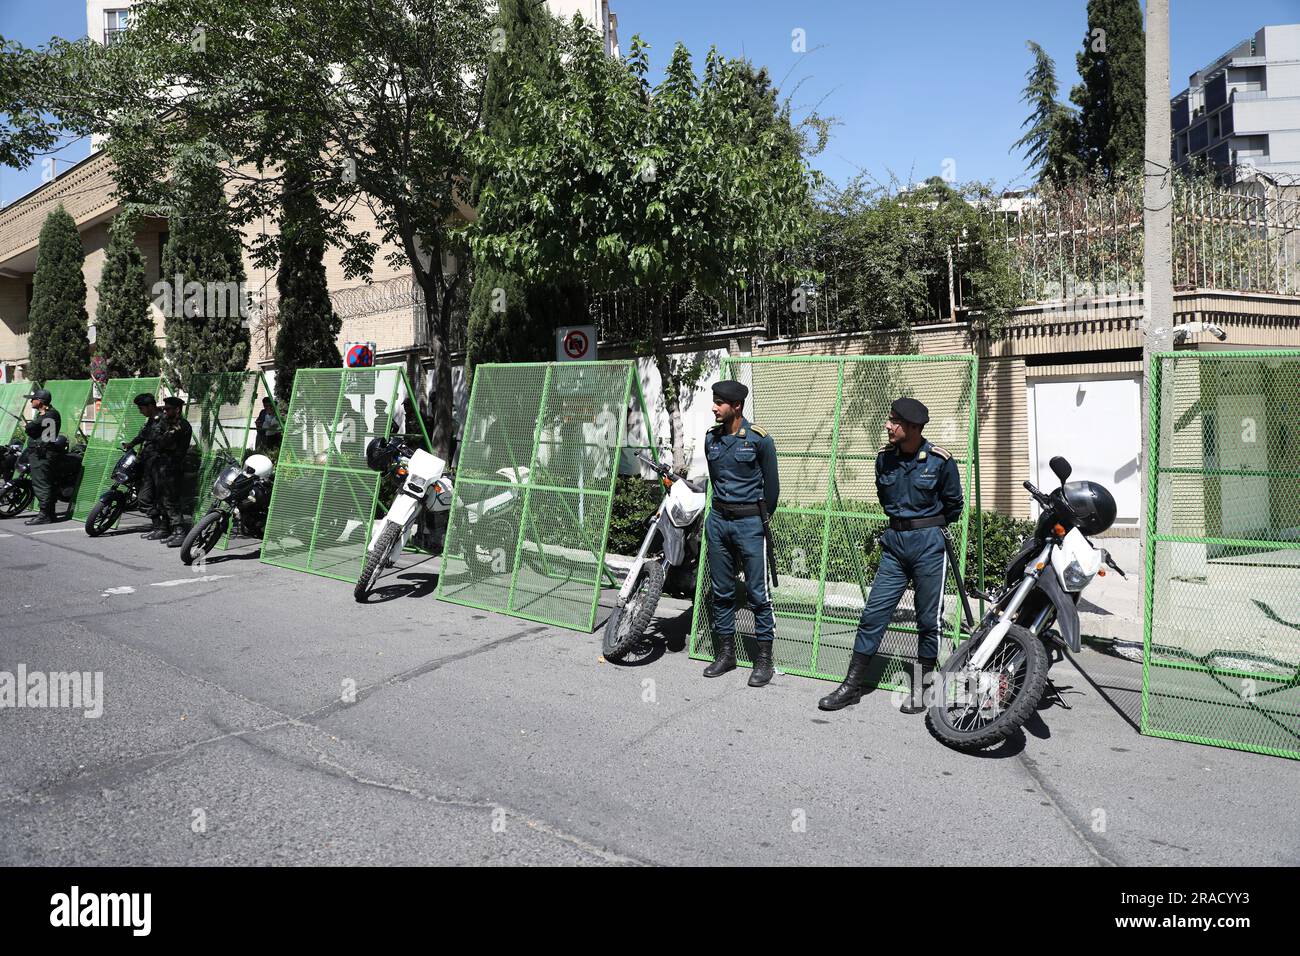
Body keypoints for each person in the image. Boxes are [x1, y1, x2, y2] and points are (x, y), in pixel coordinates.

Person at [818, 396, 963, 714]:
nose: (887, 425)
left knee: (928, 621)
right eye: (889, 419)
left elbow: (954, 505)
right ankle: (852, 686)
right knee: (872, 616)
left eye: (894, 421)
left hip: (928, 546)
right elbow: (886, 498)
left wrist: (926, 528)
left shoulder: (940, 461)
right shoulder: (884, 458)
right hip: (895, 546)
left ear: (913, 428)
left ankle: (924, 689)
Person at [701, 379, 781, 687]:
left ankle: (764, 660)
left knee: (757, 594)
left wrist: (756, 519)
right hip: (719, 521)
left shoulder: (760, 440)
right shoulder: (712, 439)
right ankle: (726, 654)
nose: (714, 407)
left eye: (719, 402)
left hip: (750, 524)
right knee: (722, 591)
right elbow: (715, 478)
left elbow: (772, 490)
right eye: (714, 400)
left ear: (736, 406)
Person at [122, 393, 166, 539]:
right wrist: (131, 444)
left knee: (148, 498)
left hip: (158, 466)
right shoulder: (151, 421)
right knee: (146, 498)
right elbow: (143, 435)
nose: (140, 411)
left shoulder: (163, 420)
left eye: (141, 408)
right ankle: (158, 526)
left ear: (150, 406)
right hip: (148, 463)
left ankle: (161, 527)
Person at [155, 397, 194, 547]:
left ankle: (180, 532)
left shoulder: (180, 426)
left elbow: (163, 442)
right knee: (164, 499)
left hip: (174, 466)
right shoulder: (169, 424)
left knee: (172, 500)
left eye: (168, 409)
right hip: (165, 465)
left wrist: (162, 440)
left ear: (177, 410)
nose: (165, 411)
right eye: (164, 409)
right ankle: (172, 530)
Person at [22, 388, 62, 525]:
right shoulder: (48, 414)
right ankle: (49, 514)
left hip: (42, 455)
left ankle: (45, 514)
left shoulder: (49, 415)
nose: (31, 401)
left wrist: (30, 425)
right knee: (44, 483)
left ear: (40, 401)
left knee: (41, 484)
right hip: (42, 453)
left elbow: (31, 429)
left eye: (33, 399)